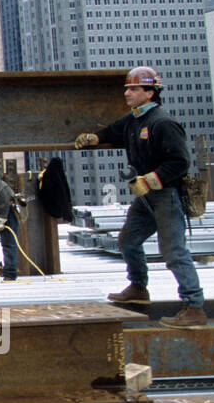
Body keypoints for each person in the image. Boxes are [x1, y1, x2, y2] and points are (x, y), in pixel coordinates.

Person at [75, 66, 206, 328]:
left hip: (165, 195)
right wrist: (94, 137)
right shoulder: (134, 120)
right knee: (128, 240)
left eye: (133, 88)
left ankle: (194, 307)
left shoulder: (162, 123)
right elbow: (113, 131)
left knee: (173, 252)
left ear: (150, 92)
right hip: (147, 197)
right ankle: (138, 288)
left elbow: (180, 162)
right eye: (127, 88)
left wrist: (150, 179)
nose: (127, 92)